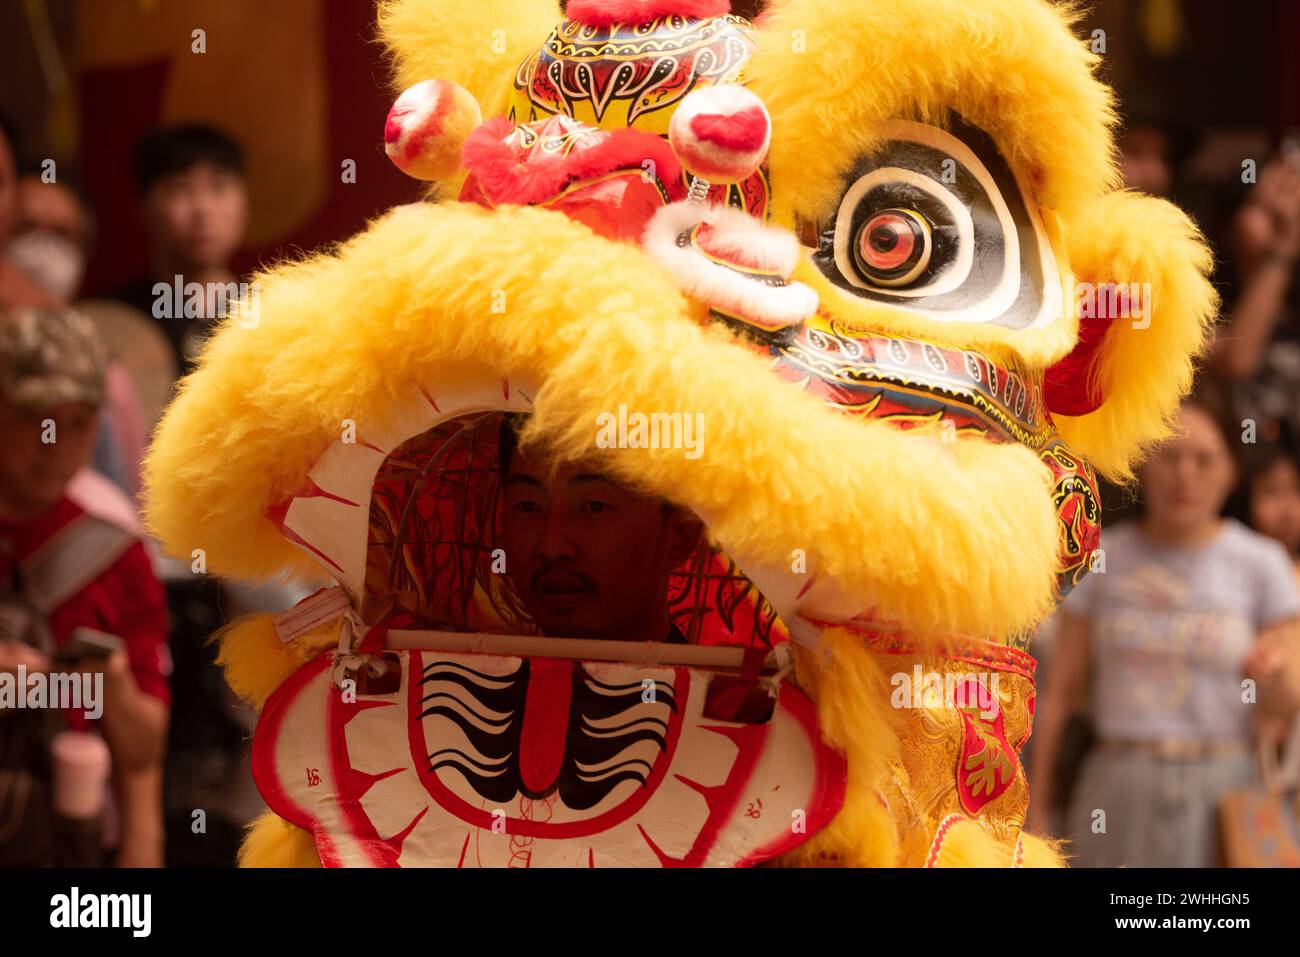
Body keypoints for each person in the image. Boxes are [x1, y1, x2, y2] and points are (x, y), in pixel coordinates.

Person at [1027, 393, 1300, 866]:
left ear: (1232, 470)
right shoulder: (1102, 557)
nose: (1185, 476)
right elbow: (1061, 693)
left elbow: (1289, 697)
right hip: (1117, 785)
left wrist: (1272, 673)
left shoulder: (1263, 564)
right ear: (1143, 464)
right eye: (1169, 456)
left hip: (1227, 788)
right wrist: (1037, 808)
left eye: (1204, 459)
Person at [0, 305, 171, 866]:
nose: (56, 442)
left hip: (65, 845)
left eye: (79, 422)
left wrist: (113, 689)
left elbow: (144, 754)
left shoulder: (115, 547)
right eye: (37, 417)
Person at [497, 418, 702, 644]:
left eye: (595, 506)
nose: (551, 546)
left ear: (681, 534)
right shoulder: (467, 675)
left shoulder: (714, 679)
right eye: (528, 505)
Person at [111, 125, 249, 372]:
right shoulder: (117, 319)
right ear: (144, 208)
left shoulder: (269, 314)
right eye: (180, 188)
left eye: (219, 187)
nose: (203, 209)